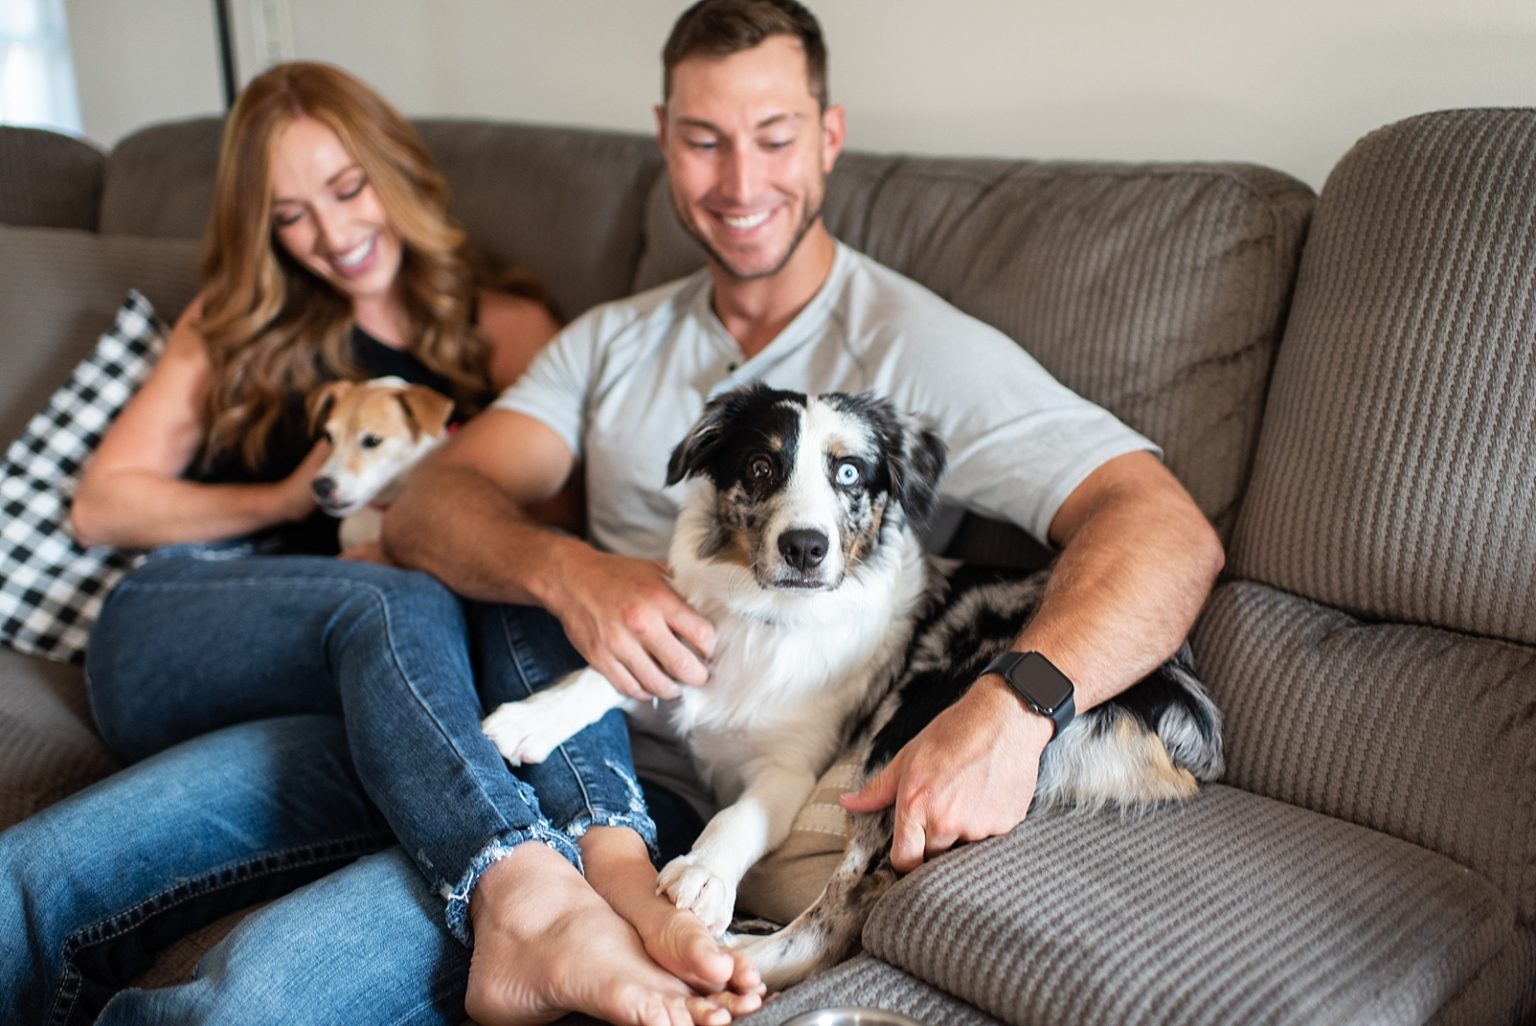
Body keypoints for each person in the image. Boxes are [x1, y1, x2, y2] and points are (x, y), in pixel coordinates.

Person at [385, 0, 1224, 989]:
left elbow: (1166, 529)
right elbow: (427, 501)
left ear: (828, 139)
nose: (741, 183)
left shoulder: (915, 348)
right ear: (663, 139)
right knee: (218, 785)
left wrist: (1018, 706)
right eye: (704, 140)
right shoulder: (610, 339)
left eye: (774, 137)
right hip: (536, 711)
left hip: (699, 790)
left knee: (270, 982)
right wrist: (568, 570)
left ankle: (584, 904)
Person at [0, 61, 760, 1026]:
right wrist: (282, 497)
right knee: (395, 596)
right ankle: (538, 890)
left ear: (396, 173)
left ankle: (587, 862)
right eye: (289, 216)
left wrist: (439, 536)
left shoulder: (506, 328)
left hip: (398, 692)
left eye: (348, 189)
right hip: (198, 621)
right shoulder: (238, 322)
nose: (332, 233)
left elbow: (550, 542)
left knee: (29, 877)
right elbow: (103, 507)